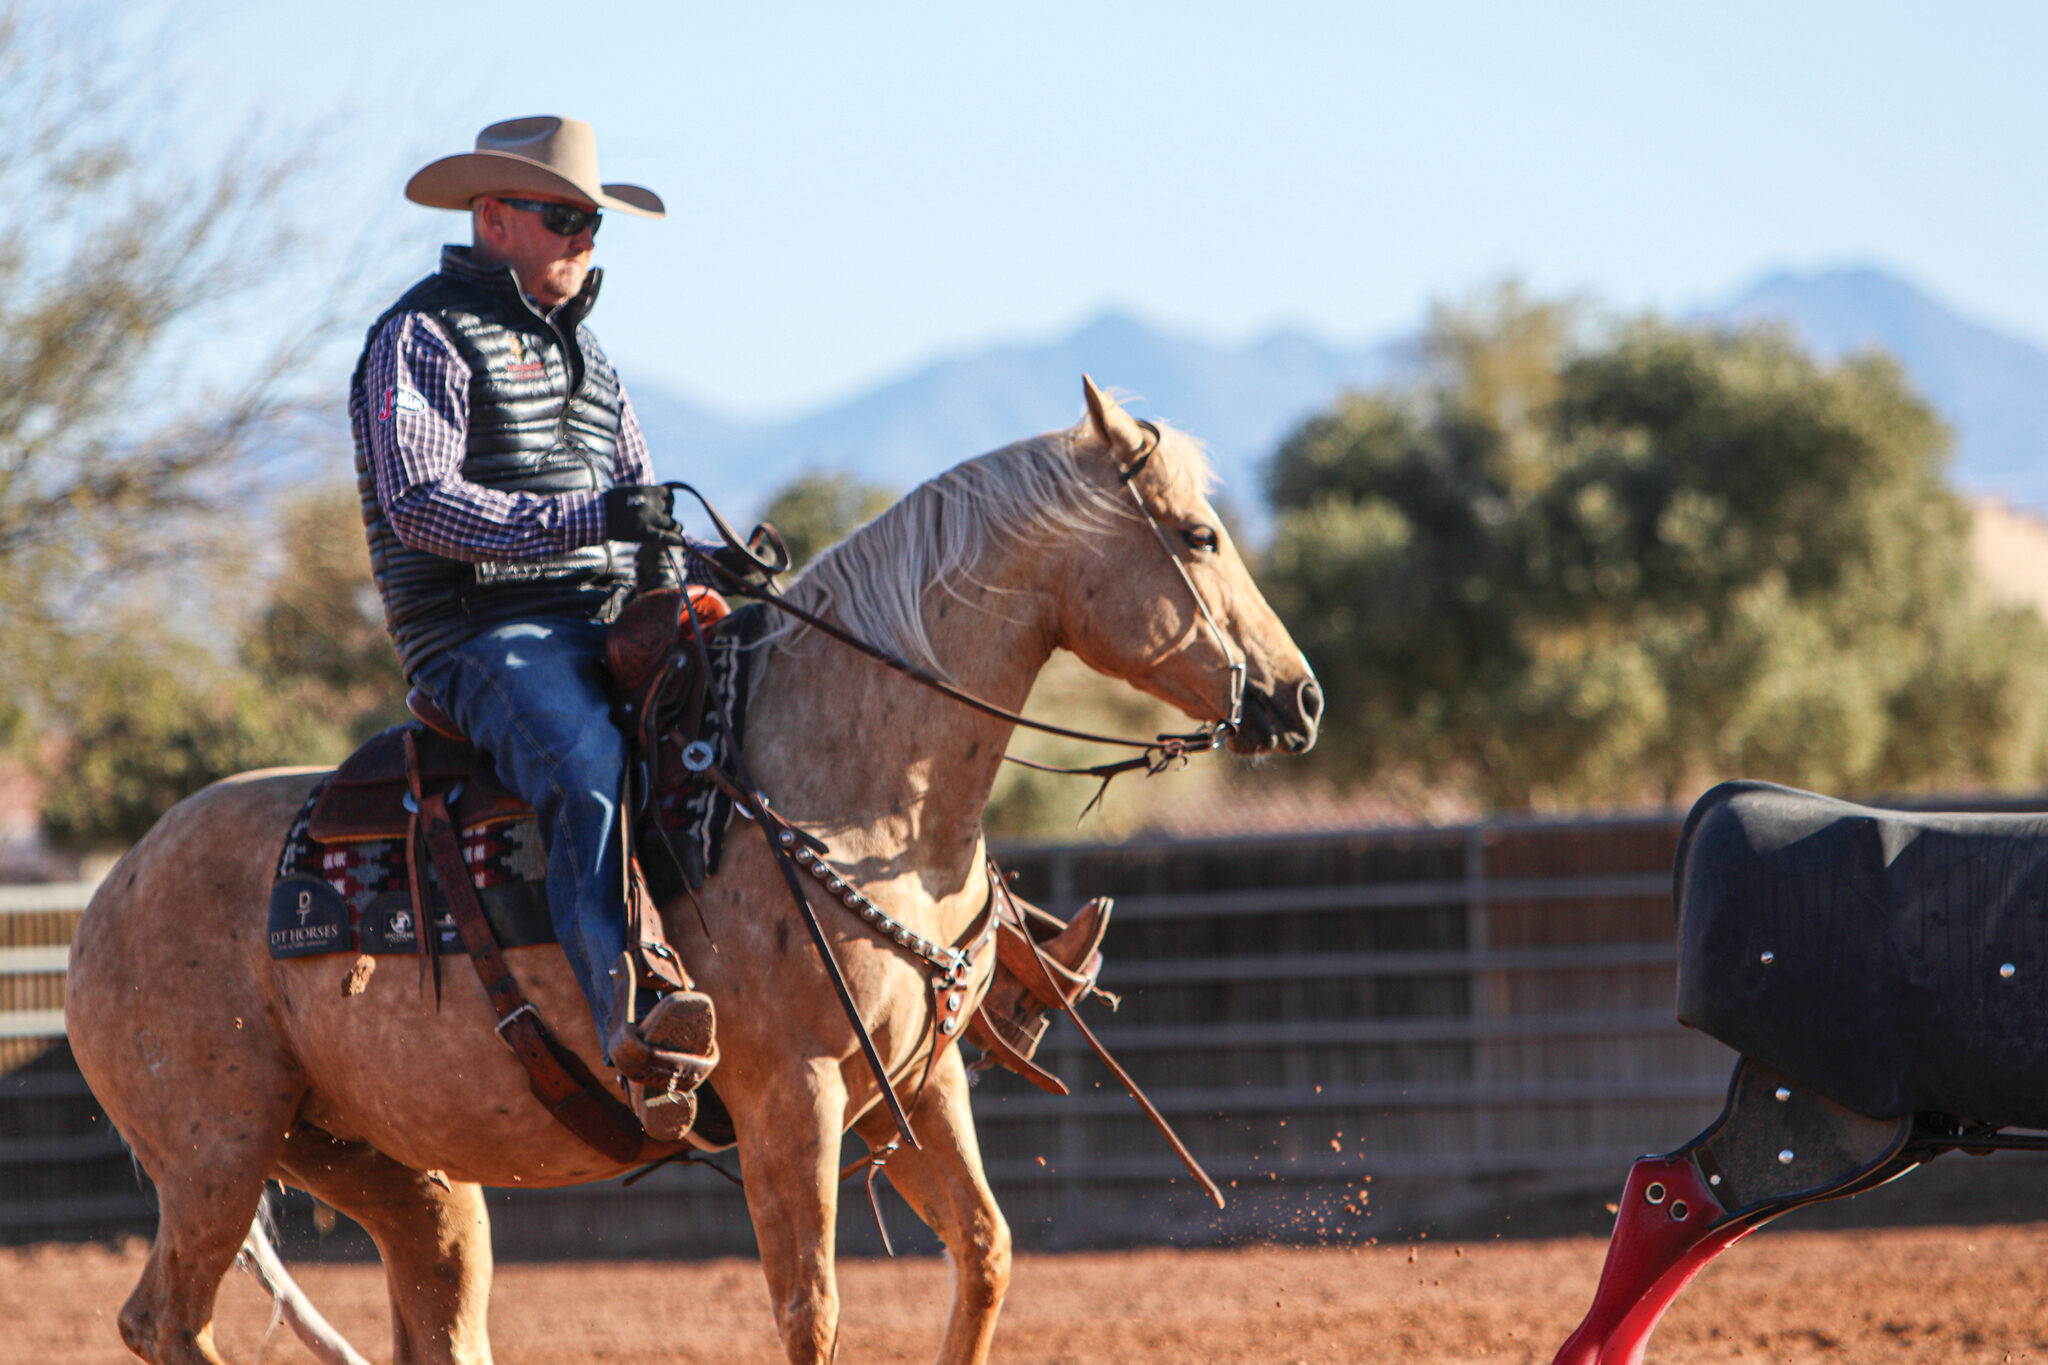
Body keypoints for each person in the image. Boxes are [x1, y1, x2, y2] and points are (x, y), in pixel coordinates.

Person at [347, 115, 712, 1140]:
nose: (584, 239)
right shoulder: (416, 337)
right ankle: (632, 1024)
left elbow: (639, 501)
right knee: (584, 763)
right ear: (494, 218)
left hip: (598, 616)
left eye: (592, 222)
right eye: (565, 219)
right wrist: (586, 521)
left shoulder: (591, 359)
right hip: (480, 631)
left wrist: (692, 571)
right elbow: (421, 502)